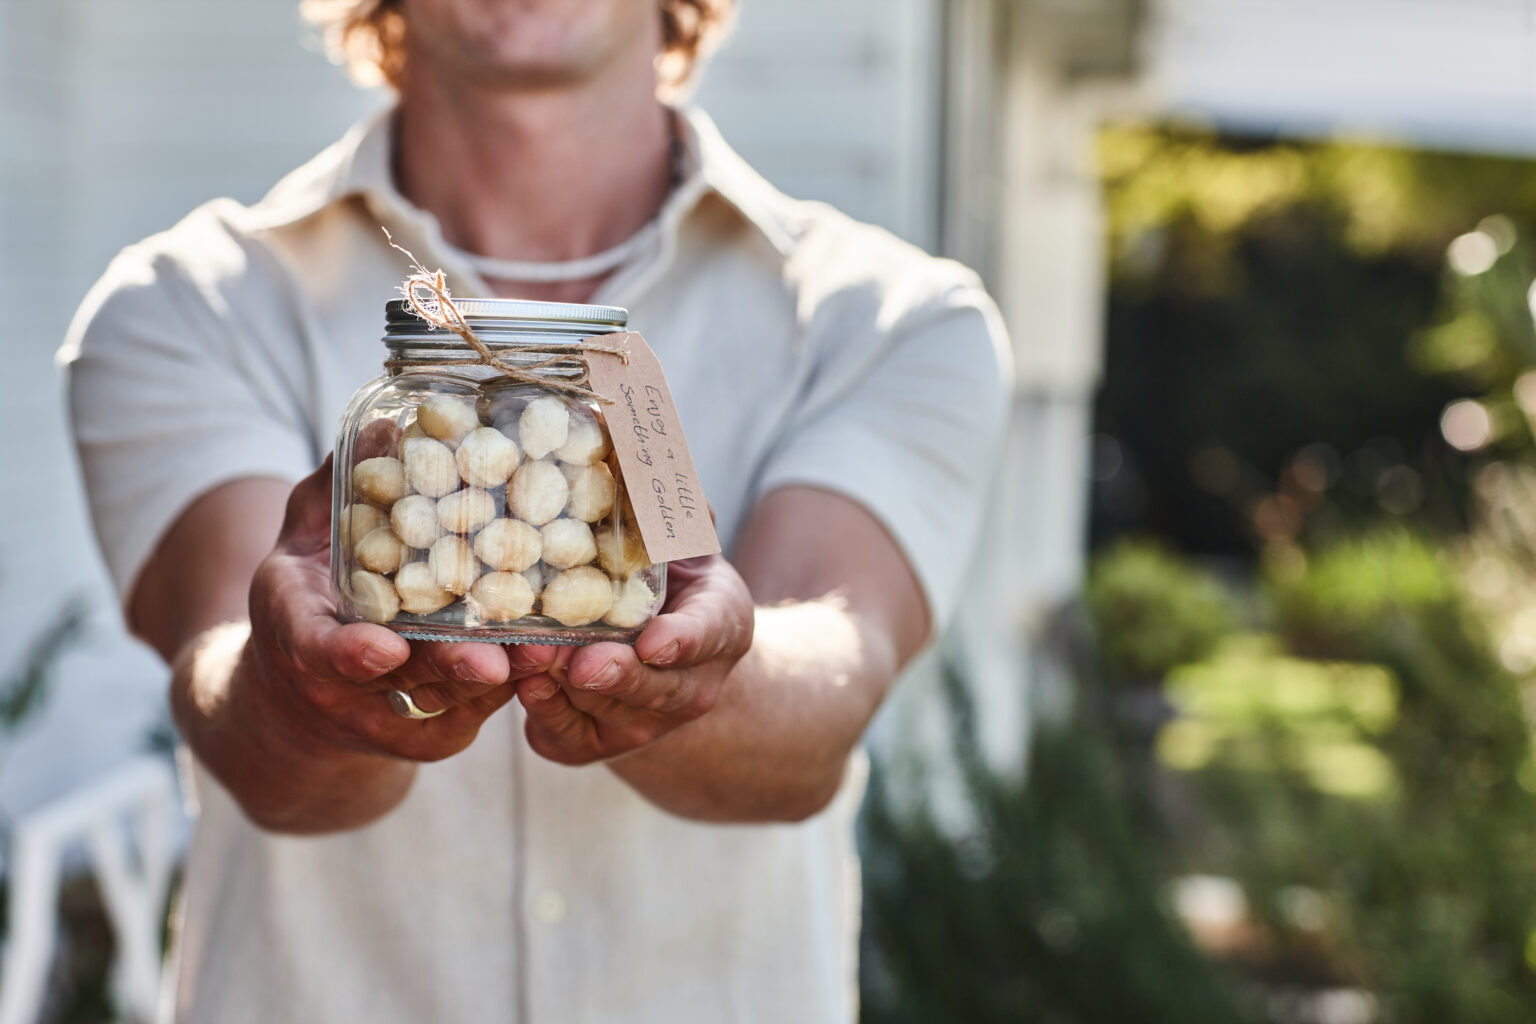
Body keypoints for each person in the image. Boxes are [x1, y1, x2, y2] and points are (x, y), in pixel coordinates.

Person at [61, 0, 1010, 1020]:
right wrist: (296, 690)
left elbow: (824, 706)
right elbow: (247, 724)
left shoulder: (893, 320)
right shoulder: (185, 305)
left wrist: (694, 668)